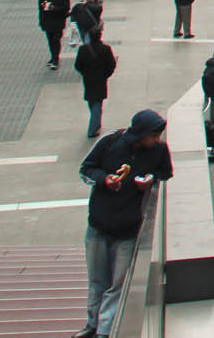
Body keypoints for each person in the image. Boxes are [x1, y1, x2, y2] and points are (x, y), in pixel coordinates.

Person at [75, 110, 173, 338]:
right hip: (99, 224)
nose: (157, 140)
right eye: (154, 135)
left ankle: (104, 330)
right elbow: (86, 169)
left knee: (117, 284)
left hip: (128, 227)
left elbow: (165, 172)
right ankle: (92, 324)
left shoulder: (158, 151)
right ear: (142, 133)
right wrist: (105, 179)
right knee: (97, 279)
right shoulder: (111, 142)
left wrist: (150, 180)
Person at [74, 28, 117, 138]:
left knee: (92, 101)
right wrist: (106, 74)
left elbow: (77, 65)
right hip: (101, 79)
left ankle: (94, 125)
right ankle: (94, 125)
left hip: (88, 79)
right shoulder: (106, 49)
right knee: (98, 101)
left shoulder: (83, 49)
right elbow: (112, 64)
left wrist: (85, 72)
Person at [37, 0, 71, 69]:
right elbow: (41, 10)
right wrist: (41, 22)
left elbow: (66, 9)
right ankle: (53, 57)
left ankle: (55, 58)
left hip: (58, 23)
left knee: (56, 40)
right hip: (48, 23)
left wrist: (55, 9)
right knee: (51, 41)